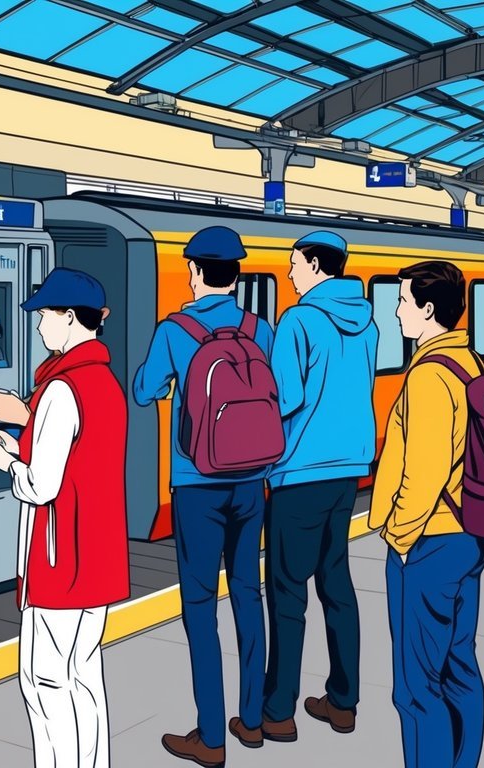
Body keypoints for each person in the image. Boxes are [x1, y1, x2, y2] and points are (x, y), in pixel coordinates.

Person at [0, 268, 129, 768]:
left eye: (44, 316)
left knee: (43, 681)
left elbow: (42, 485)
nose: (39, 327)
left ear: (69, 318)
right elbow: (80, 459)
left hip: (61, 559)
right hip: (98, 552)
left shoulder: (62, 390)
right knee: (83, 673)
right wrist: (23, 426)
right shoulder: (102, 382)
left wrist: (3, 459)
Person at [133, 226, 273, 767]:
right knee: (247, 594)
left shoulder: (175, 330)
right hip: (250, 482)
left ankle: (211, 737)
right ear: (236, 276)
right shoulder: (261, 329)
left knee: (199, 606)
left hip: (197, 486)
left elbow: (146, 390)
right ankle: (253, 721)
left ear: (193, 272)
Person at [369, 260, 484, 768]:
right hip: (468, 537)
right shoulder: (470, 362)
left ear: (428, 309)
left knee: (416, 689)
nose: (396, 313)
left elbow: (424, 471)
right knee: (459, 669)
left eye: (402, 302)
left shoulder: (427, 377)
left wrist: (398, 535)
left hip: (429, 543)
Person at [262, 231, 377, 741]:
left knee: (287, 592)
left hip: (300, 471)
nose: (289, 273)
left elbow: (285, 399)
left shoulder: (298, 320)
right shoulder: (368, 323)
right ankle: (344, 701)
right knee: (337, 585)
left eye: (293, 264)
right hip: (348, 469)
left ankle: (279, 711)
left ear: (313, 263)